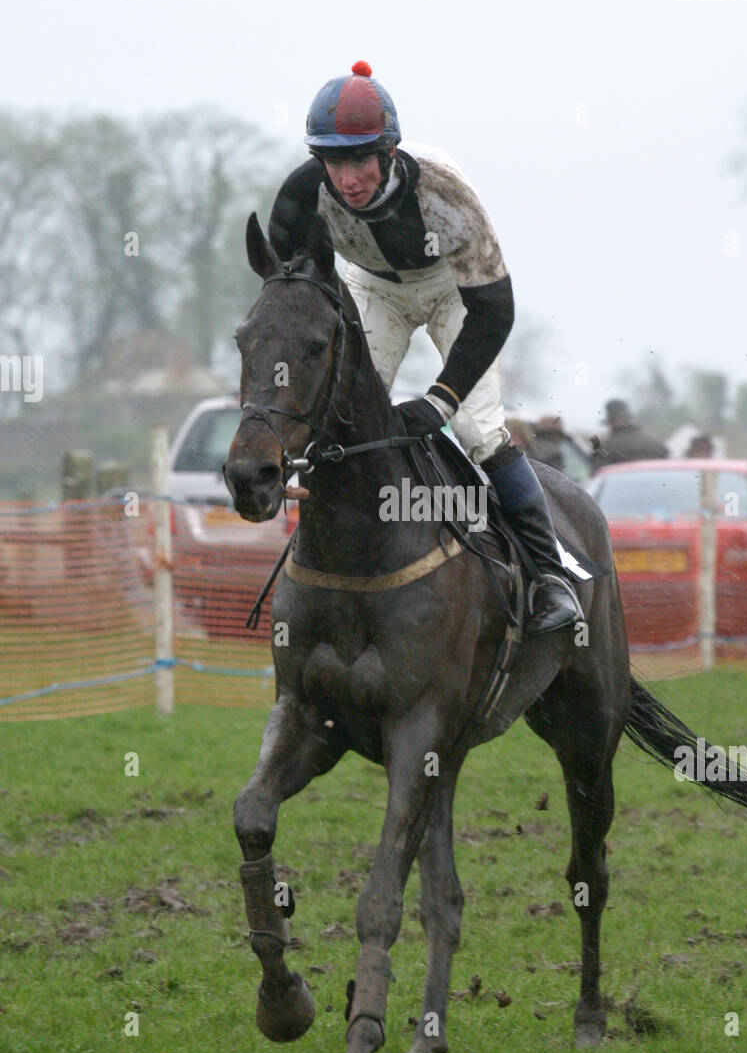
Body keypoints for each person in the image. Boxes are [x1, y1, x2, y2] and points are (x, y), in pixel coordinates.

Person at [268, 61, 580, 634]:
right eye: (333, 162)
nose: (348, 179)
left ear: (389, 152)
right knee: (335, 418)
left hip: (453, 290)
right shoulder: (299, 197)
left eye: (360, 159)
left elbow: (494, 311)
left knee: (477, 431)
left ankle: (551, 575)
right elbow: (295, 300)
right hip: (372, 288)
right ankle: (326, 568)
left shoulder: (445, 197)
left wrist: (440, 399)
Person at [590, 399, 667, 472]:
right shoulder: (656, 444)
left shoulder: (605, 450)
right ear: (628, 418)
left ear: (610, 422)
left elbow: (598, 475)